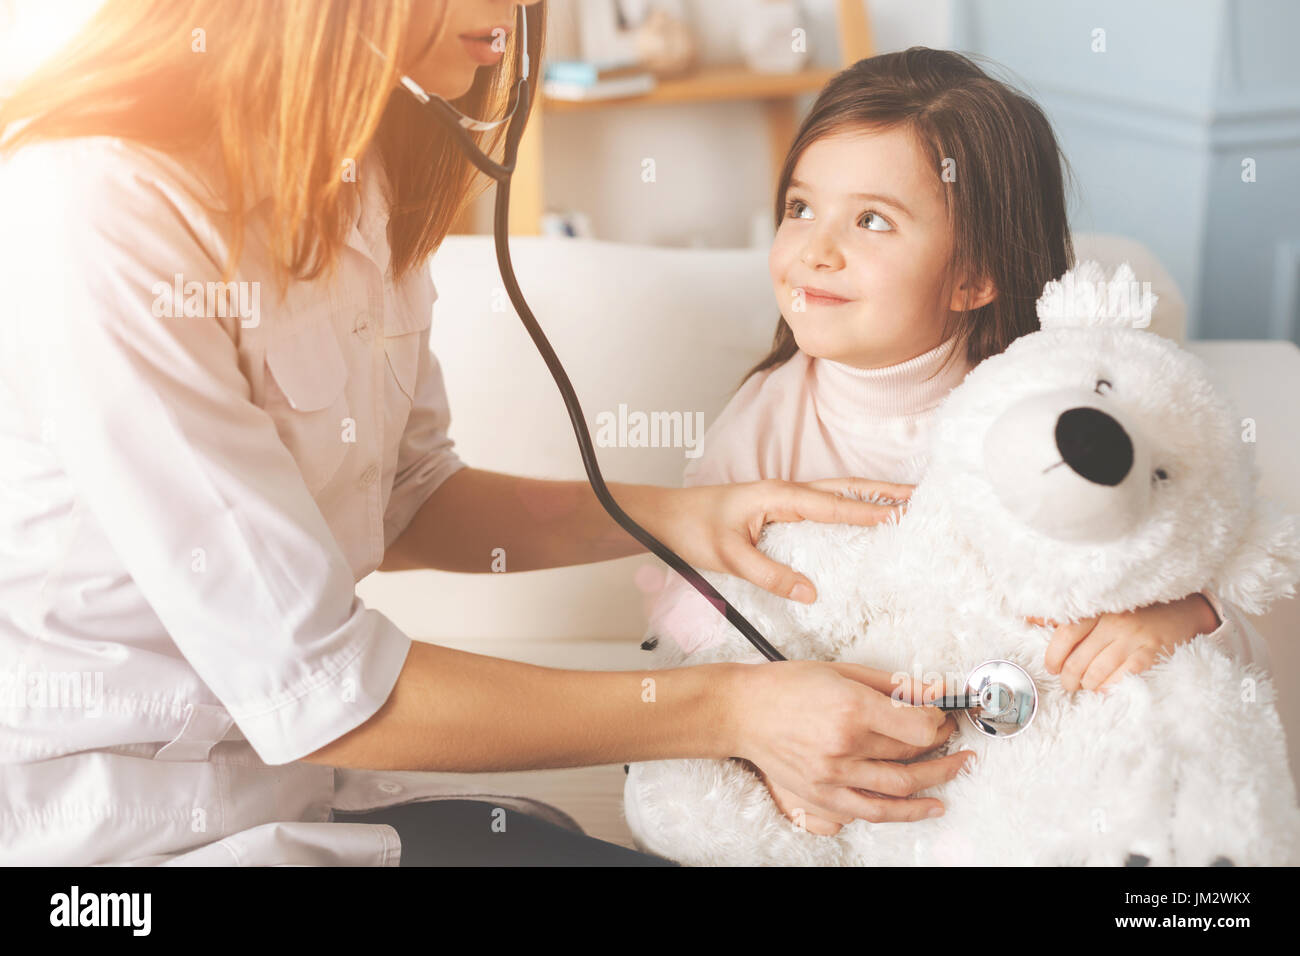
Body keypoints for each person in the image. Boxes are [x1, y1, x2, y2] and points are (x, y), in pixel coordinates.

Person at [0, 0, 971, 866]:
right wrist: (730, 709)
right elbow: (327, 687)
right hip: (108, 834)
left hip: (288, 797)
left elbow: (410, 494)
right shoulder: (97, 207)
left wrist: (678, 516)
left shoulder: (355, 178)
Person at [643, 46, 1270, 837]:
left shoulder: (1060, 404)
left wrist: (1187, 617)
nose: (815, 248)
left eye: (871, 220)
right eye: (800, 208)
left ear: (974, 275)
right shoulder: (760, 422)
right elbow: (694, 623)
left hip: (1031, 770)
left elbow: (1235, 580)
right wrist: (764, 752)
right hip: (868, 774)